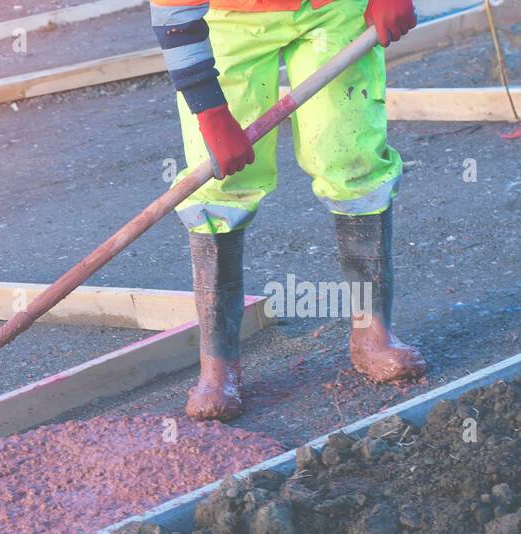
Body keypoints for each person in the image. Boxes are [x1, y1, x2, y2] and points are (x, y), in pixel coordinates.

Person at [151, 0, 428, 421]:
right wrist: (211, 113)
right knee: (219, 187)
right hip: (232, 19)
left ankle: (373, 333)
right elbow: (174, 17)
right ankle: (218, 367)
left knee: (351, 157)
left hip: (332, 8)